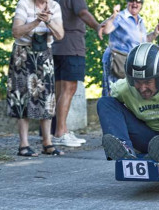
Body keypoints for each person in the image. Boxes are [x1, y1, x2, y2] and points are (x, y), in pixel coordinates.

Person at [7, 0, 64, 156]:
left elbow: (60, 35)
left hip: (44, 54)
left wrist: (49, 20)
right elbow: (16, 32)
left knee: (47, 98)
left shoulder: (54, 6)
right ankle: (23, 144)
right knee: (22, 97)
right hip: (23, 54)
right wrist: (37, 21)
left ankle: (47, 143)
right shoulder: (23, 4)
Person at [52, 0, 103, 147]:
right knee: (69, 89)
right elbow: (82, 12)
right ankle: (60, 133)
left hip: (57, 46)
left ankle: (61, 130)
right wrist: (97, 26)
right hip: (72, 46)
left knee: (60, 91)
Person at [101, 0, 159, 96]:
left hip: (131, 64)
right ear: (127, 2)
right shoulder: (120, 17)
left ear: (141, 4)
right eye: (132, 1)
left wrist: (155, 33)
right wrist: (114, 15)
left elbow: (143, 43)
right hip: (117, 62)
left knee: (127, 95)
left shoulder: (140, 20)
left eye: (138, 1)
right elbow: (106, 30)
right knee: (113, 94)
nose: (135, 4)